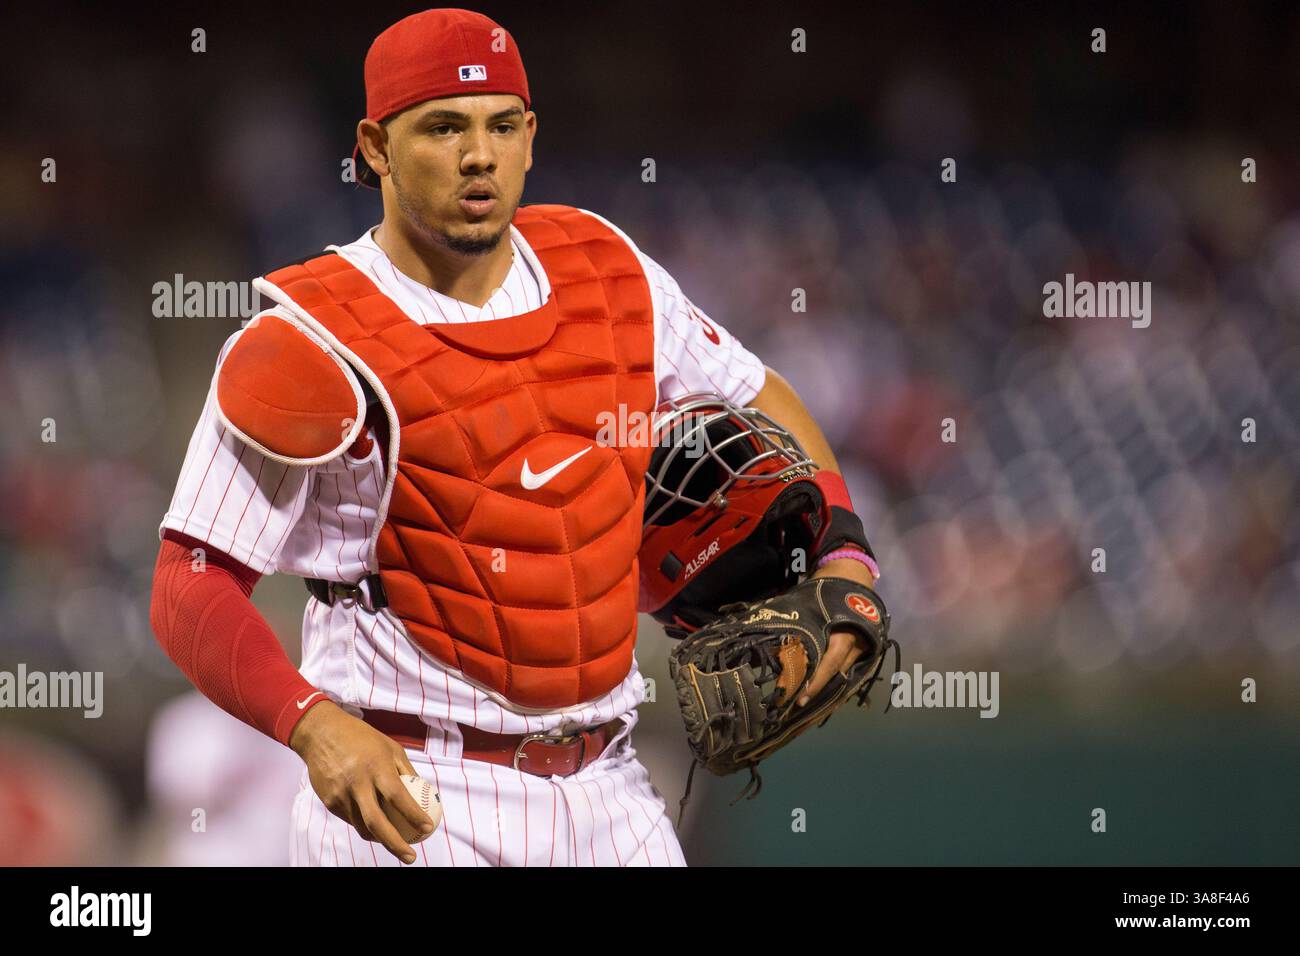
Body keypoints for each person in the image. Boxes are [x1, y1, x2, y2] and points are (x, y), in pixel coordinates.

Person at [150, 7, 879, 867]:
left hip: (613, 785)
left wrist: (847, 559)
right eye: (443, 127)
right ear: (375, 147)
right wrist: (311, 728)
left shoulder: (609, 271)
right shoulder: (310, 340)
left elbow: (765, 401)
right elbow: (188, 583)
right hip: (417, 796)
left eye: (501, 126)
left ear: (530, 136)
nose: (478, 155)